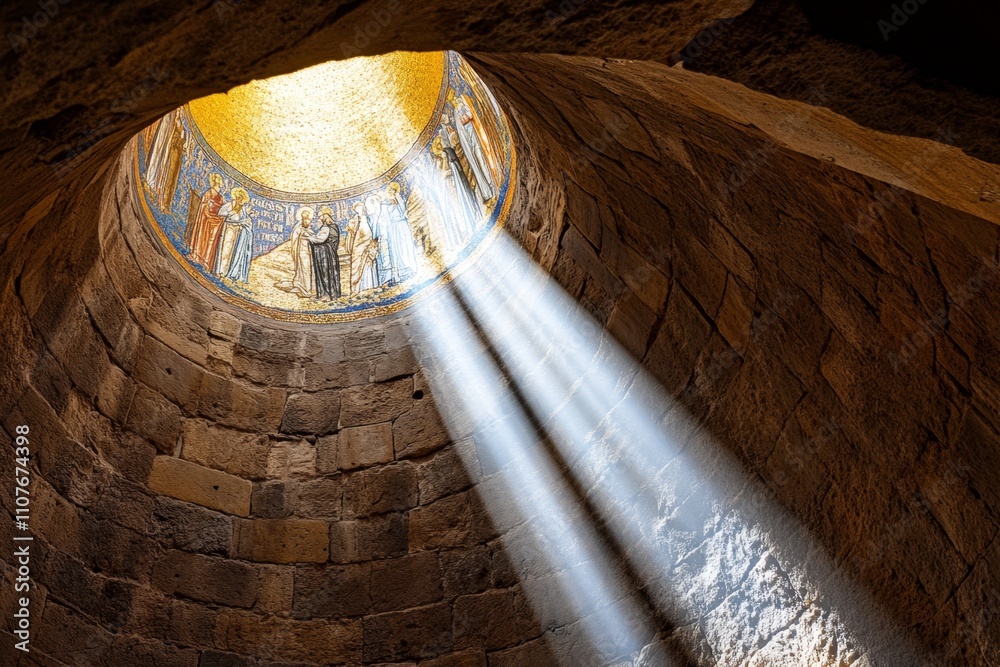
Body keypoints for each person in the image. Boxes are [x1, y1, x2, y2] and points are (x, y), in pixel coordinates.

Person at [430, 136, 477, 250]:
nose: (440, 146)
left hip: (457, 184)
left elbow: (457, 166)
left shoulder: (449, 152)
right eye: (438, 145)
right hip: (449, 189)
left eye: (441, 144)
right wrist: (444, 166)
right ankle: (464, 232)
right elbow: (439, 176)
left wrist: (450, 165)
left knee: (462, 203)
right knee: (455, 209)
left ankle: (471, 225)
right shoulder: (438, 161)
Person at [380, 182, 419, 283]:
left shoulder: (400, 203)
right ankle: (402, 272)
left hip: (403, 226)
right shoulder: (386, 207)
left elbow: (403, 210)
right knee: (398, 249)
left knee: (407, 246)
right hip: (395, 229)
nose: (392, 194)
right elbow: (387, 221)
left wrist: (398, 198)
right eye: (391, 193)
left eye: (394, 192)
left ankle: (411, 267)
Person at [186, 172, 226, 268]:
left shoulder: (221, 197)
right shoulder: (208, 193)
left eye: (219, 180)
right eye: (217, 180)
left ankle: (206, 260)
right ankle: (197, 255)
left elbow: (223, 210)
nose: (219, 182)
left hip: (215, 222)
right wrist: (208, 207)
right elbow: (203, 205)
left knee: (211, 241)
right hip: (206, 220)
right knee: (202, 238)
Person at [276, 206, 315, 297]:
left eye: (307, 217)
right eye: (304, 217)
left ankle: (307, 289)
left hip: (307, 252)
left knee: (306, 270)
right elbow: (294, 238)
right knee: (301, 269)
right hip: (301, 251)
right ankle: (300, 285)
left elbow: (313, 237)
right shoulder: (299, 227)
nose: (306, 219)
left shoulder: (308, 227)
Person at [215, 187, 252, 282]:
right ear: (236, 197)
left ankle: (228, 272)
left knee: (233, 253)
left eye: (242, 199)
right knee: (225, 251)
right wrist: (231, 212)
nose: (241, 201)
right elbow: (220, 213)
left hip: (237, 232)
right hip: (229, 230)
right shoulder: (229, 205)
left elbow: (244, 219)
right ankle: (220, 271)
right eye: (239, 198)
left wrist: (245, 220)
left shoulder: (242, 209)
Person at [308, 206, 341, 300]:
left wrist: (310, 238)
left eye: (320, 217)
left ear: (325, 217)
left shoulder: (326, 227)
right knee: (330, 273)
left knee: (324, 273)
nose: (319, 219)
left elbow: (321, 239)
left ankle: (326, 294)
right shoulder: (334, 226)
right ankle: (333, 293)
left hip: (324, 254)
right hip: (330, 253)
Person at [346, 201, 378, 295]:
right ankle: (356, 288)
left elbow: (370, 231)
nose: (357, 210)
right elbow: (353, 232)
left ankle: (368, 285)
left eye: (359, 208)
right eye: (356, 209)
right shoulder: (356, 219)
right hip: (358, 245)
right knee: (357, 265)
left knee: (367, 263)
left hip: (366, 244)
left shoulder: (368, 218)